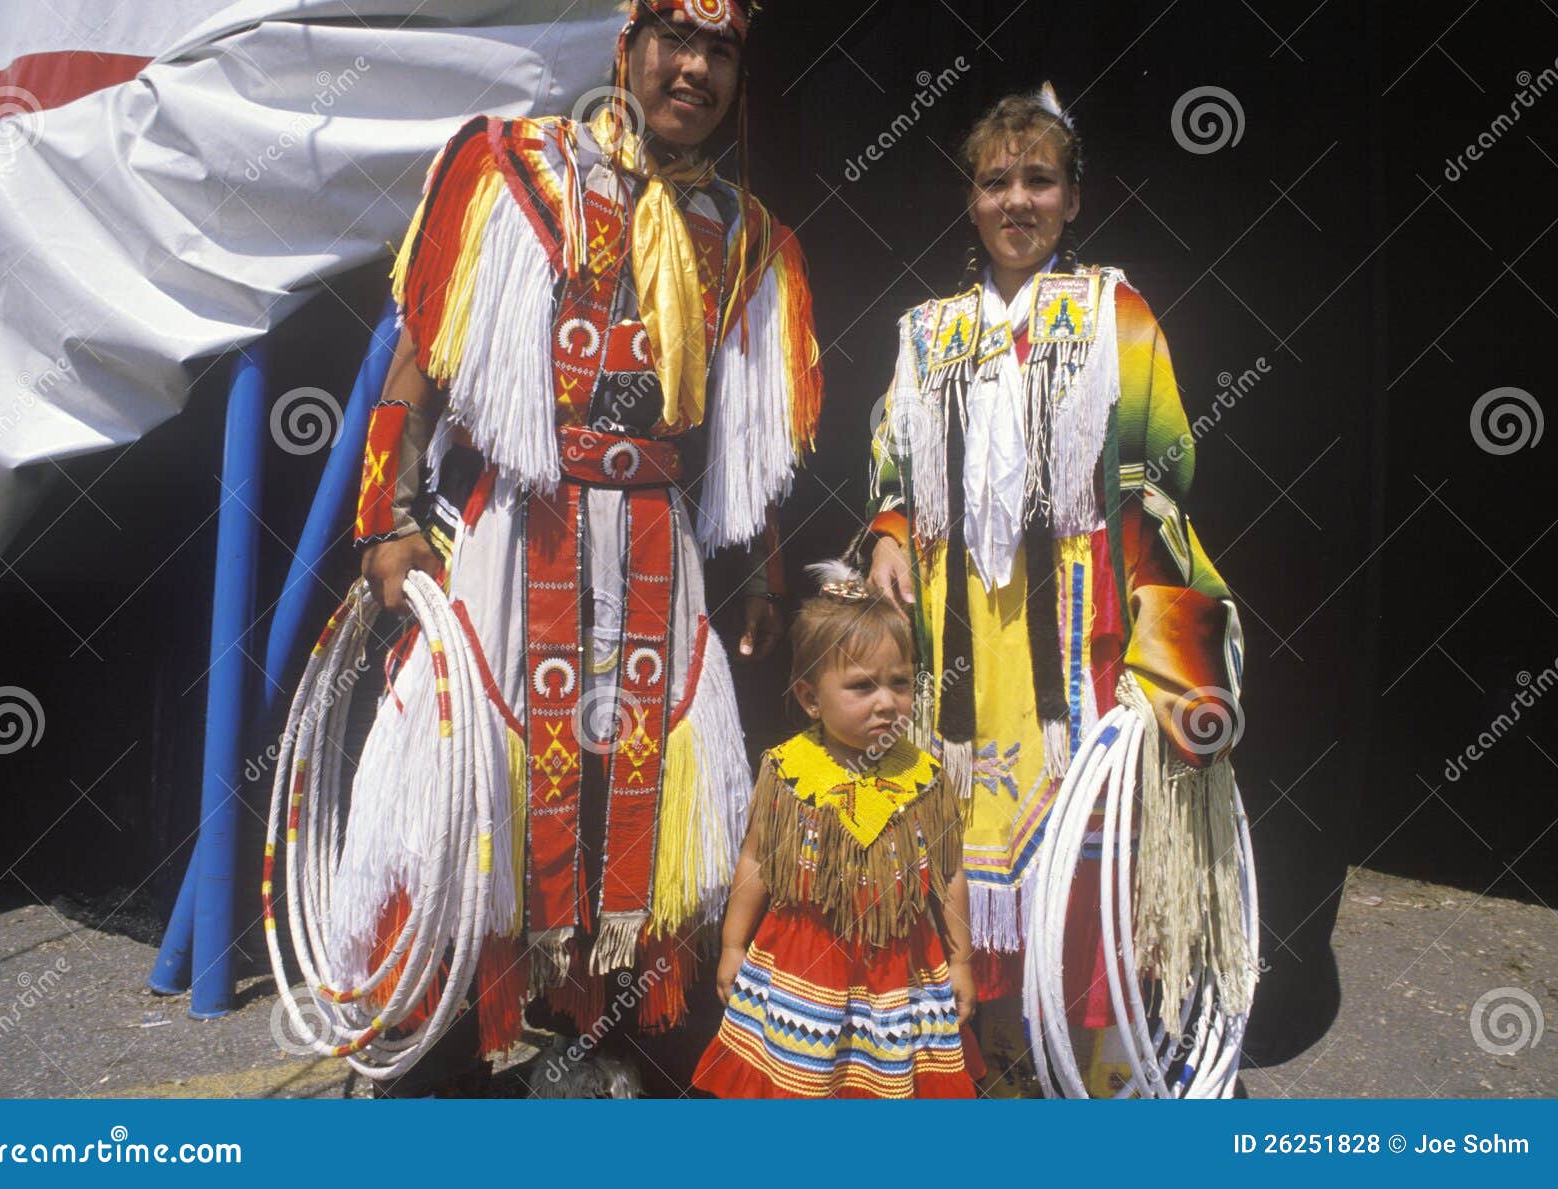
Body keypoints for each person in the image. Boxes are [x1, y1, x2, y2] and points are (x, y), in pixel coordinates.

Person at [332, 0, 823, 1093]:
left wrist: (764, 578)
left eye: (721, 53)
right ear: (625, 48)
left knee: (654, 784)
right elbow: (425, 358)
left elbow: (746, 440)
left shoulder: (743, 236)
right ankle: (452, 1037)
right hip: (523, 535)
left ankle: (641, 1020)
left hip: (660, 545)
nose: (694, 70)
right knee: (478, 784)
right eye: (676, 43)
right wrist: (388, 517)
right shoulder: (515, 172)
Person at [859, 86, 1244, 1095]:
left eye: (1038, 180)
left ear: (1074, 198)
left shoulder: (1115, 312)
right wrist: (892, 530)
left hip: (1081, 636)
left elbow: (1161, 478)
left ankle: (1084, 1082)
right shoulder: (926, 331)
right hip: (956, 641)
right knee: (952, 859)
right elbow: (893, 471)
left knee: (1085, 864)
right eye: (995, 182)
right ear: (970, 200)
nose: (1015, 201)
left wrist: (1162, 656)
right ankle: (972, 1075)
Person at [692, 566, 979, 1098]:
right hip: (804, 970)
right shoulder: (788, 772)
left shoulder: (923, 778)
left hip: (900, 976)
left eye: (899, 682)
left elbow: (949, 872)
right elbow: (755, 860)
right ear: (809, 698)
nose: (886, 702)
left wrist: (960, 960)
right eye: (861, 686)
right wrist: (733, 945)